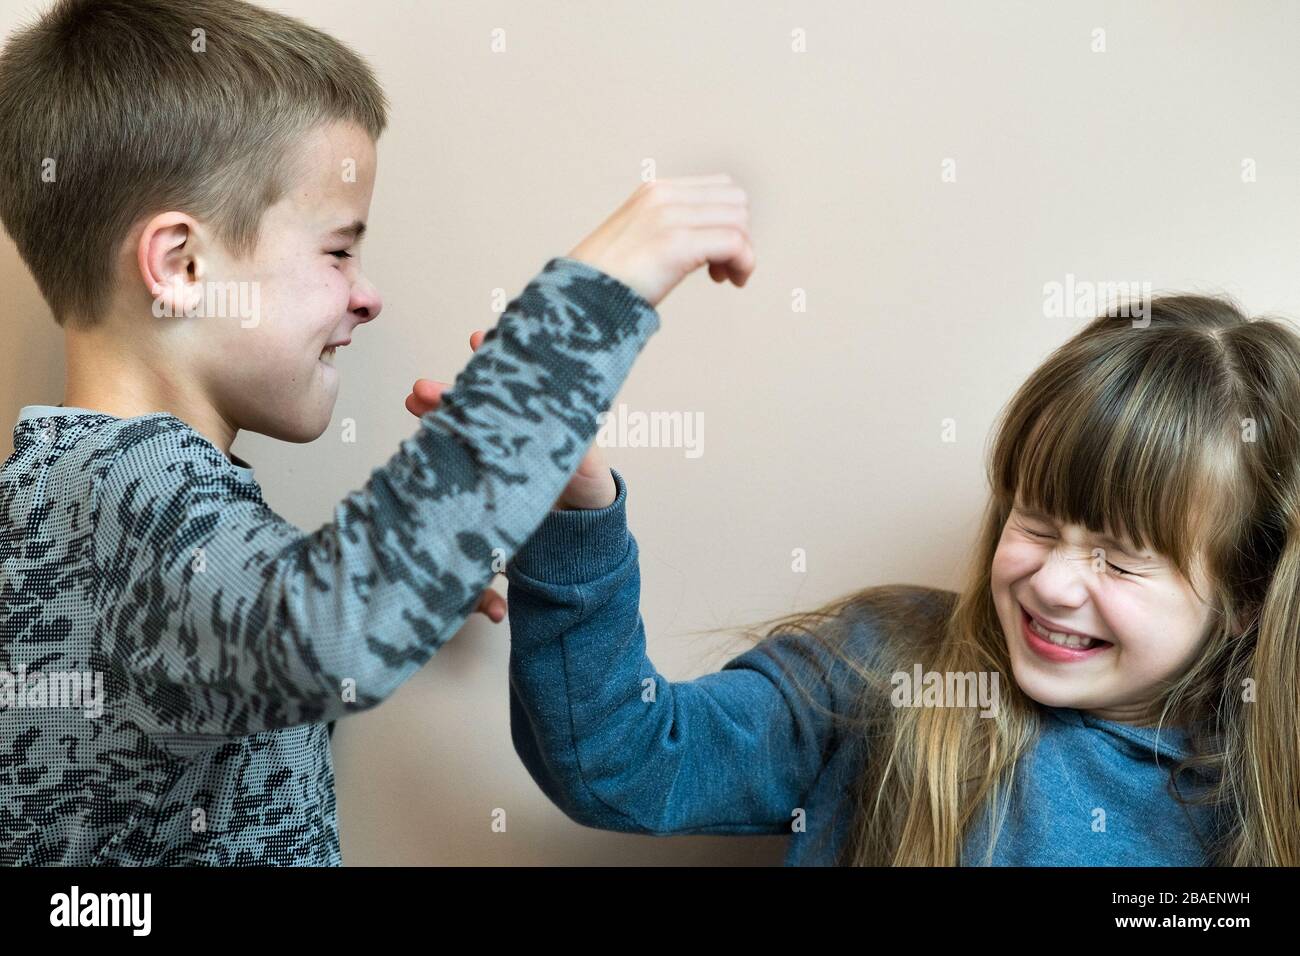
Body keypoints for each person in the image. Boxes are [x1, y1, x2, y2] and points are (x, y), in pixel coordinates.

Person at [0, 0, 754, 865]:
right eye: (338, 251)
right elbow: (334, 631)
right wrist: (594, 296)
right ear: (181, 265)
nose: (367, 294)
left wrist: (416, 561)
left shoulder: (71, 498)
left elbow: (282, 621)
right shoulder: (131, 496)